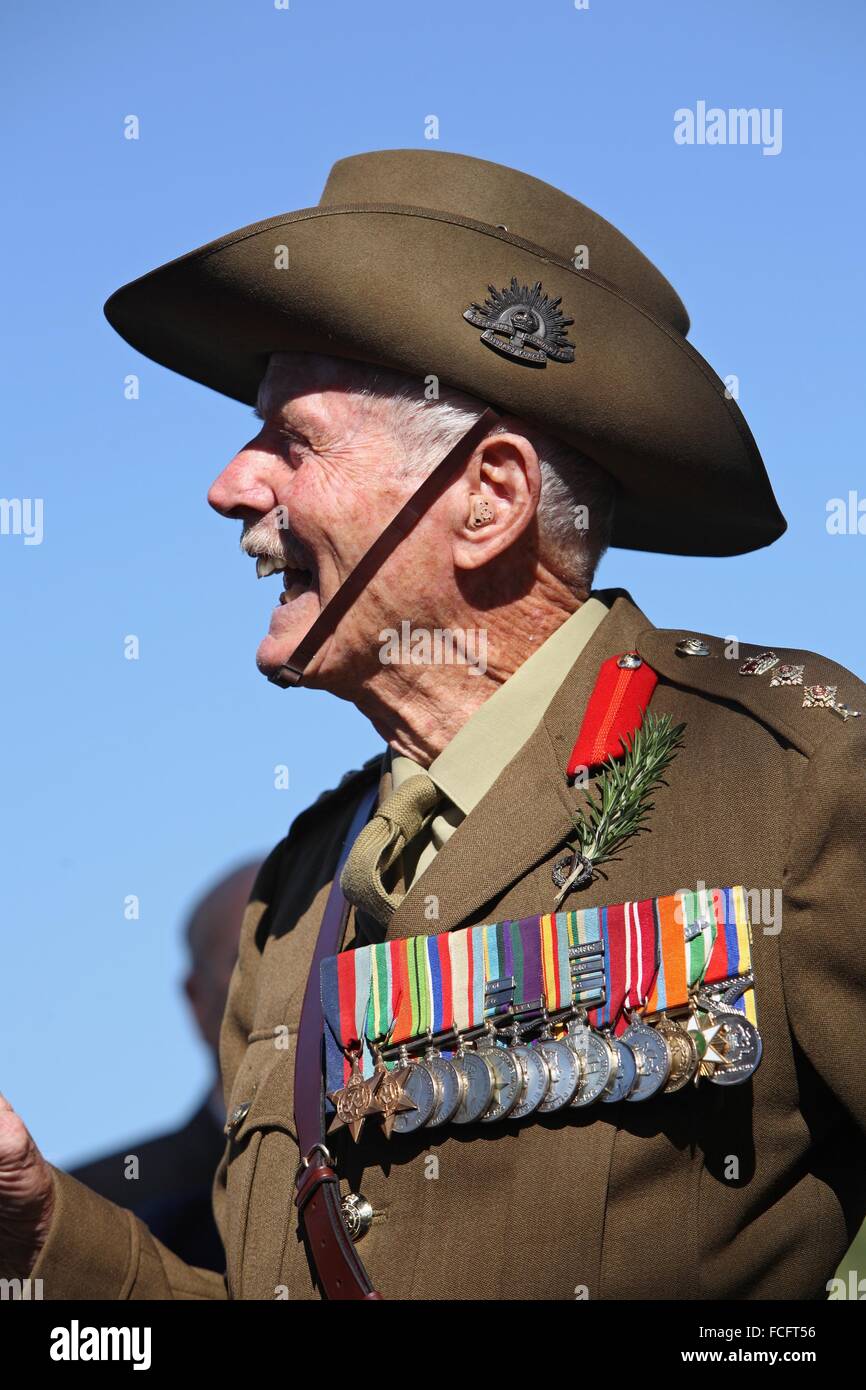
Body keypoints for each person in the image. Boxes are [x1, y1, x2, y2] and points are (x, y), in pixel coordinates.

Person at [1, 149, 864, 1301]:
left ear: (486, 498)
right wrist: (40, 1233)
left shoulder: (791, 772)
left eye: (290, 439)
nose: (230, 486)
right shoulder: (295, 891)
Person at [68, 862, 260, 1272]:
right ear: (198, 999)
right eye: (251, 960)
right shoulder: (93, 1212)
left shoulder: (391, 1173)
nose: (289, 989)